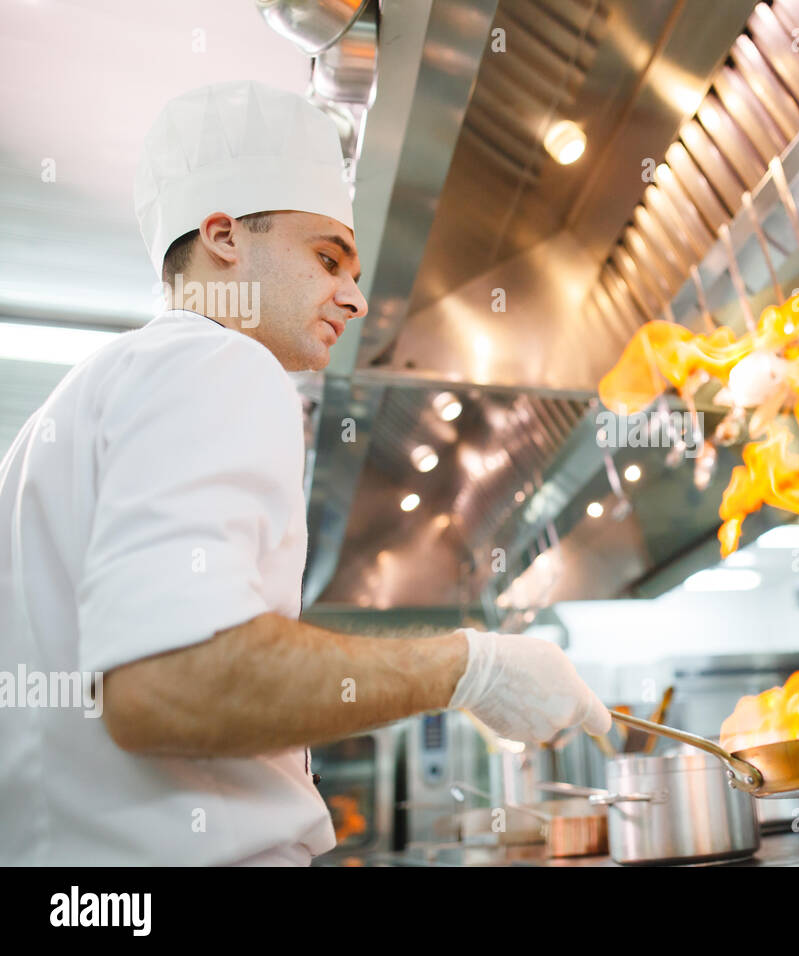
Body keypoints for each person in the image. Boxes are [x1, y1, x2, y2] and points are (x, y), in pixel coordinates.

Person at [0, 80, 609, 866]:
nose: (354, 299)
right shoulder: (216, 363)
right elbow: (171, 684)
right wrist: (472, 668)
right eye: (328, 258)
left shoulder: (68, 413)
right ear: (223, 237)